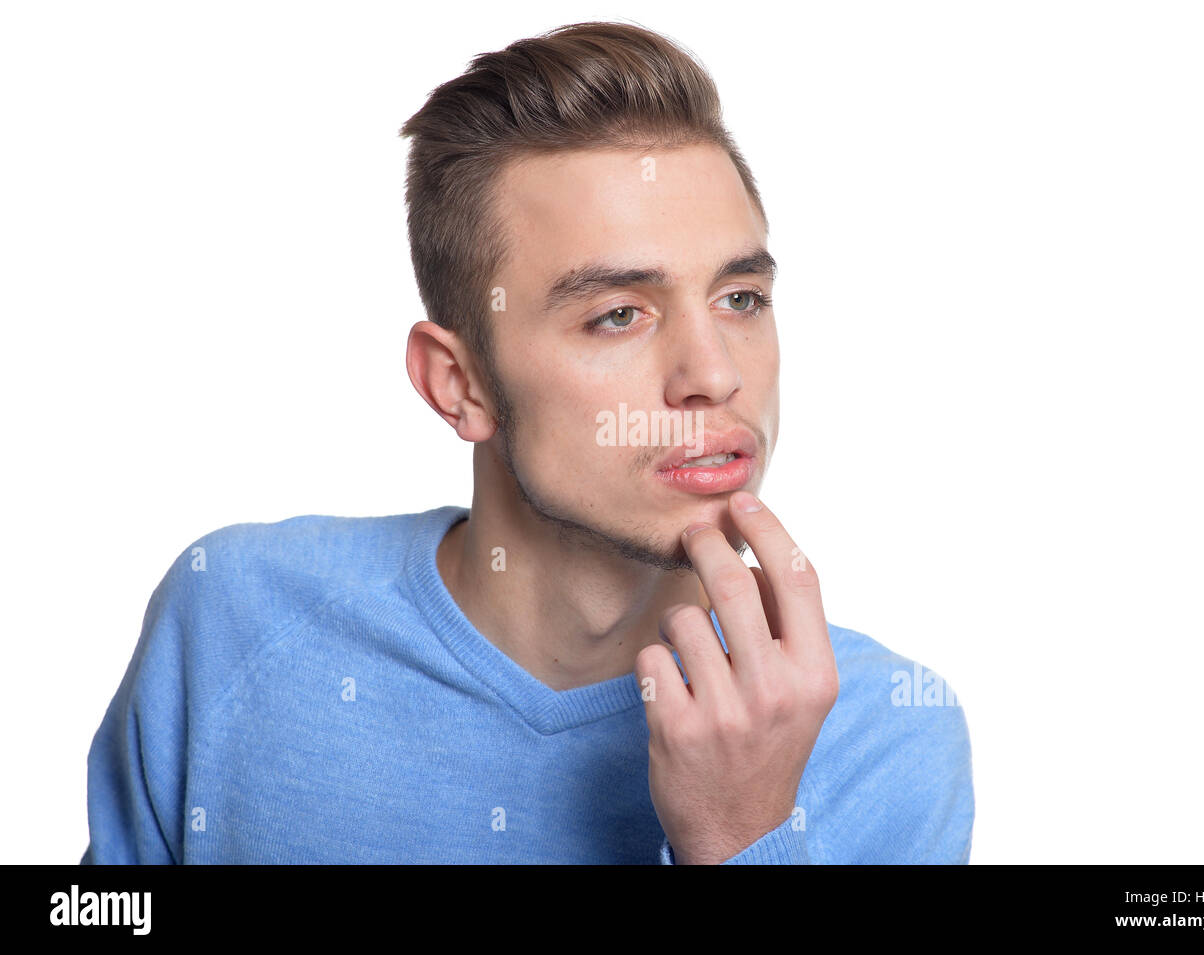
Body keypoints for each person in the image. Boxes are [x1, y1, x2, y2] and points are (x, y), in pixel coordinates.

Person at [82, 20, 974, 864]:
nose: (715, 374)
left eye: (740, 298)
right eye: (619, 314)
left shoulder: (886, 734)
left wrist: (743, 835)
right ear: (457, 384)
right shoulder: (234, 619)